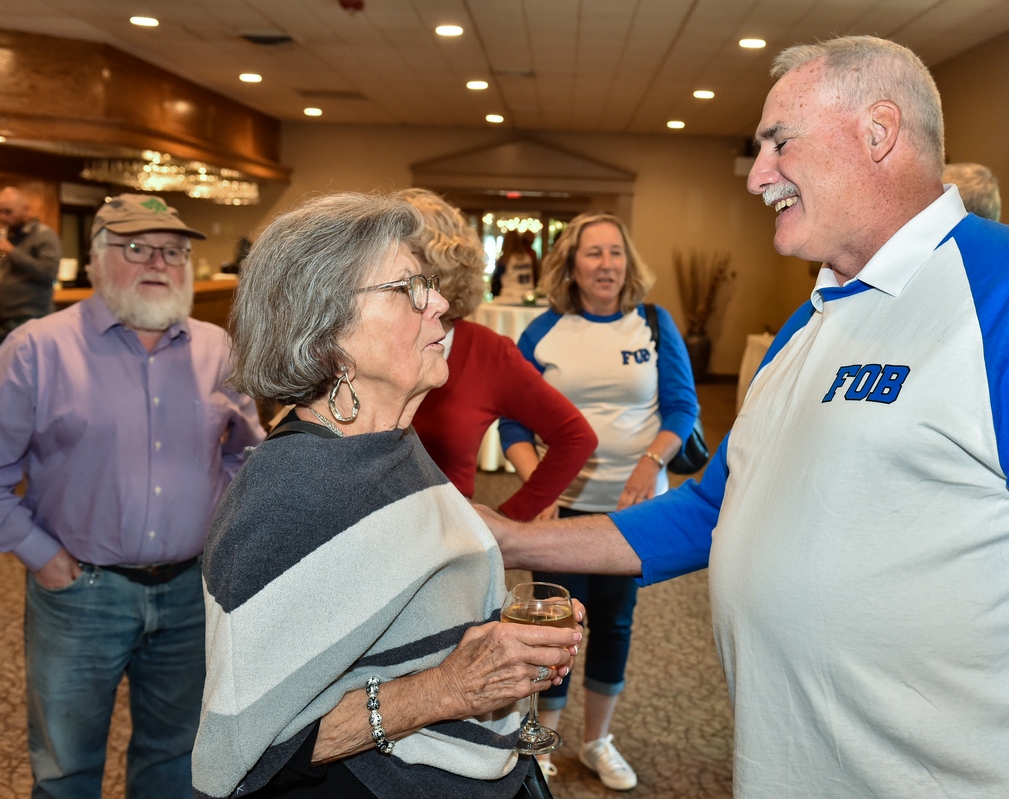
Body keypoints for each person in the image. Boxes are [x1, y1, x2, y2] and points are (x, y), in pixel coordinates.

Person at [480, 36, 1009, 799]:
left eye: (780, 143)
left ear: (878, 133)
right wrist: (515, 537)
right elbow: (715, 508)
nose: (760, 176)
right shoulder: (808, 322)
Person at [192, 192, 583, 799]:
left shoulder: (387, 443)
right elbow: (245, 752)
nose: (441, 303)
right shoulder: (289, 493)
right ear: (328, 335)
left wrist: (494, 640)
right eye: (409, 289)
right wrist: (448, 688)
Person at [0, 192, 265, 798]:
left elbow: (243, 455)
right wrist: (41, 555)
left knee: (174, 763)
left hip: (188, 596)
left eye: (173, 251)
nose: (158, 263)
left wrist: (217, 529)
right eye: (135, 247)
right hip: (79, 595)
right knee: (64, 769)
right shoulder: (36, 349)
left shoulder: (216, 349)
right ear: (94, 260)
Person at [497, 213, 699, 790]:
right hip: (558, 512)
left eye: (615, 253)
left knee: (614, 623)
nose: (606, 264)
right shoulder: (543, 332)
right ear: (572, 264)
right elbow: (512, 421)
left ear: (627, 263)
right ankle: (545, 744)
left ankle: (596, 742)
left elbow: (683, 409)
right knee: (554, 623)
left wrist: (649, 462)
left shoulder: (654, 324)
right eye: (593, 254)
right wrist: (540, 485)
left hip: (634, 511)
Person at [400, 188, 597, 521]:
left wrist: (506, 524)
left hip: (445, 544)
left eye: (409, 254)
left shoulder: (487, 352)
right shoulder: (365, 341)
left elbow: (575, 437)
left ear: (444, 268)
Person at [0, 186, 64, 342]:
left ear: (25, 210)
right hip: (4, 318)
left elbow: (48, 273)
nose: (2, 217)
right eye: (0, 211)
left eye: (8, 212)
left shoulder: (44, 236)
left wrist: (12, 251)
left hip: (29, 319)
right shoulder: (10, 236)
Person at [492, 230, 539, 301]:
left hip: (509, 295)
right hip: (527, 294)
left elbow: (496, 277)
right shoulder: (527, 257)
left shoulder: (506, 259)